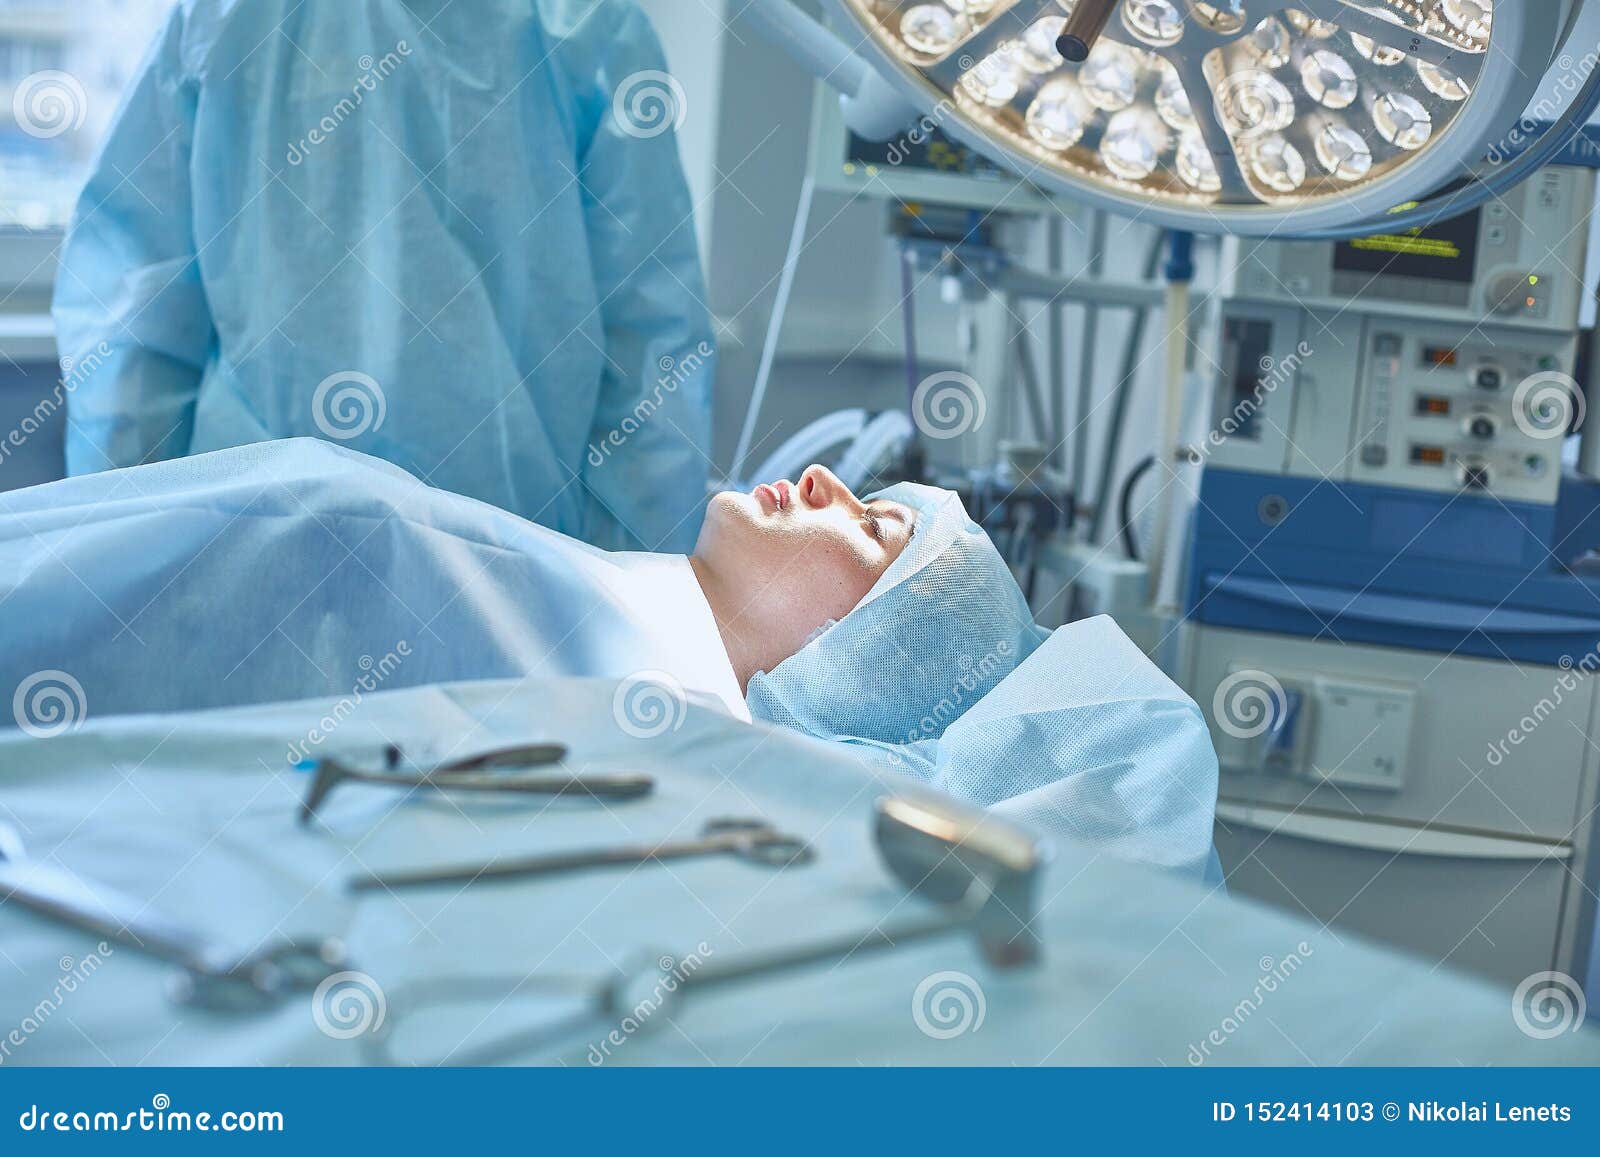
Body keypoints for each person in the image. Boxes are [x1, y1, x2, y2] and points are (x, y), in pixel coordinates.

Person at [0, 439, 1219, 876]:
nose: (831, 483)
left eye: (875, 528)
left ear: (869, 659)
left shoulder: (651, 747)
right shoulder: (574, 615)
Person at [52, 0, 712, 552]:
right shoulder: (586, 26)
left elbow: (132, 328)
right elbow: (652, 343)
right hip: (511, 570)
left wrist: (127, 561)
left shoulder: (223, 20)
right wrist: (633, 599)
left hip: (264, 553)